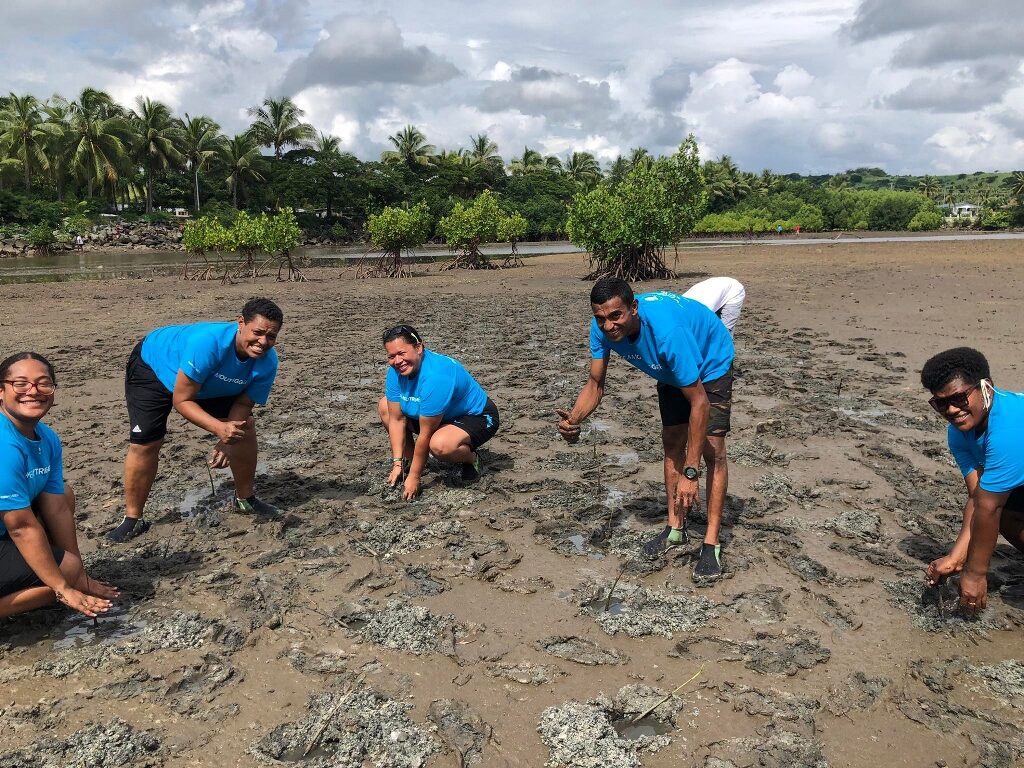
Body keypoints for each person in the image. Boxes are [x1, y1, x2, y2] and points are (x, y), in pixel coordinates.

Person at [557, 278, 735, 579]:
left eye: (616, 316)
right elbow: (596, 384)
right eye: (601, 318)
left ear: (634, 308)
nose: (609, 326)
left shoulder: (666, 333)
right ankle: (675, 528)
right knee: (672, 441)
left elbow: (700, 404)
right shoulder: (600, 329)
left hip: (710, 360)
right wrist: (574, 419)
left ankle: (711, 542)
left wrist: (691, 474)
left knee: (711, 449)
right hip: (669, 368)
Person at [109, 298, 283, 542]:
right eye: (258, 333)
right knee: (146, 441)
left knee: (245, 428)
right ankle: (132, 519)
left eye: (271, 337)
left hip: (210, 379)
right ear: (241, 323)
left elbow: (243, 404)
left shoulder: (268, 362)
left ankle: (245, 500)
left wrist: (227, 440)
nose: (263, 342)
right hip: (155, 366)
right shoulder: (208, 344)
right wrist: (219, 429)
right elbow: (182, 400)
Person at [1, 352, 119, 618]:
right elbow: (20, 526)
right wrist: (65, 586)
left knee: (63, 494)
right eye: (20, 384)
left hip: (7, 529)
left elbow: (57, 509)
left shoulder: (46, 437)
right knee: (55, 582)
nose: (33, 391)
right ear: (1, 391)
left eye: (43, 383)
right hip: (11, 527)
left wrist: (80, 575)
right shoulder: (4, 445)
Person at [921, 347, 1024, 614]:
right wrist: (956, 558)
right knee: (1002, 511)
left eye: (959, 398)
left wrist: (975, 575)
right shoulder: (959, 432)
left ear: (986, 388)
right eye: (941, 403)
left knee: (996, 509)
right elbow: (979, 499)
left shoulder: (1010, 428)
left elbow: (990, 507)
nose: (952, 410)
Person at [378, 324, 499, 500]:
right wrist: (397, 463)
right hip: (438, 417)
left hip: (476, 416)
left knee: (440, 446)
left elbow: (425, 434)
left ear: (419, 347)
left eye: (402, 353)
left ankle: (472, 459)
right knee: (385, 406)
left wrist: (415, 477)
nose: (397, 361)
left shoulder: (437, 375)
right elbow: (396, 419)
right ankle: (410, 461)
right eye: (391, 356)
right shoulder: (395, 372)